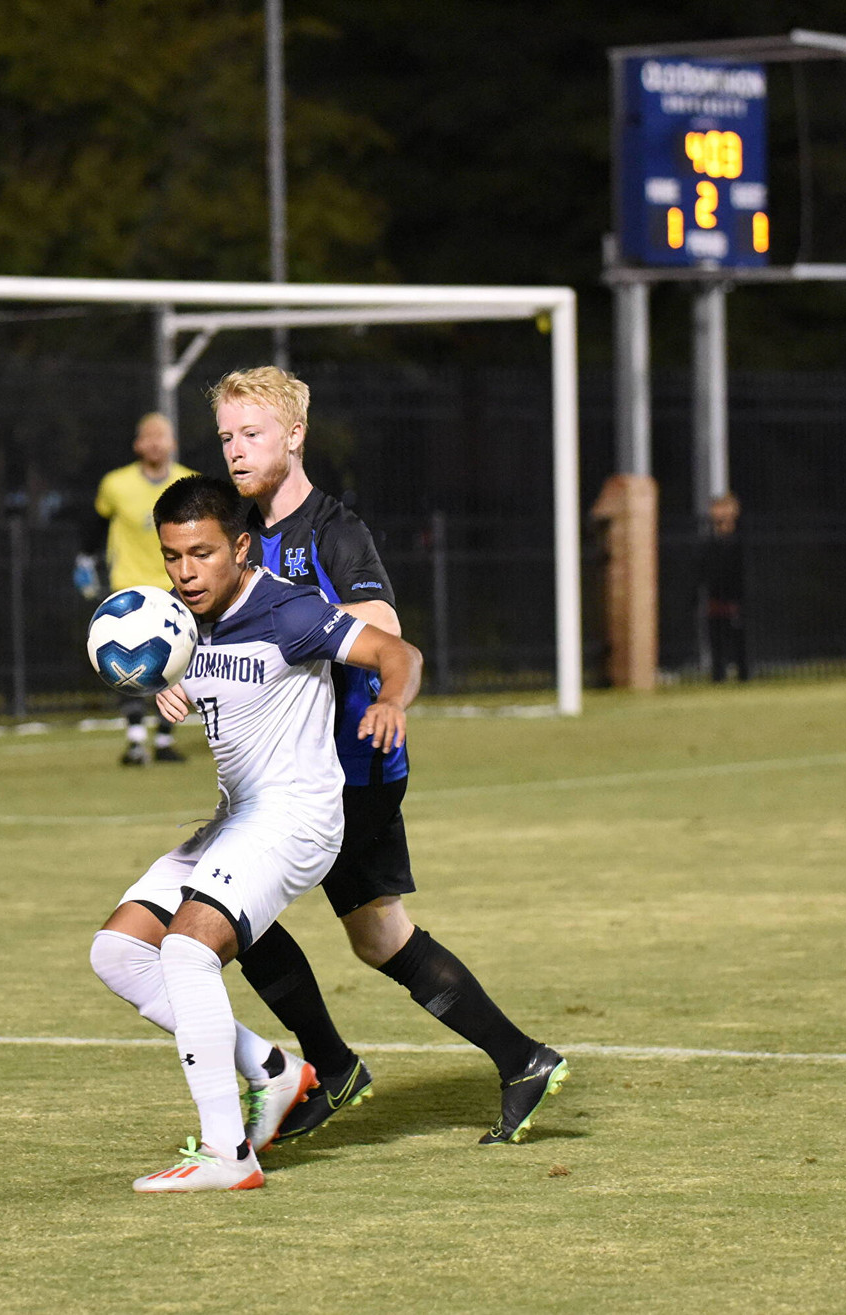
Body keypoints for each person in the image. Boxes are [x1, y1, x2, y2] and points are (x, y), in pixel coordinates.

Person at [159, 366, 566, 1147]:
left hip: (349, 768)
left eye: (253, 434)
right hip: (293, 774)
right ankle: (518, 1059)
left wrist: (368, 684)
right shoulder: (238, 528)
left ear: (295, 435)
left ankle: (338, 1068)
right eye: (226, 437)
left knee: (224, 911)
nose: (237, 452)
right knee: (377, 934)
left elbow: (380, 627)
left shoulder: (332, 531)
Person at [90, 475, 424, 1192]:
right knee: (117, 951)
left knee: (186, 949)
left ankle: (226, 1155)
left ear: (240, 546)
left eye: (202, 554)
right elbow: (195, 672)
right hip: (237, 817)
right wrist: (164, 683)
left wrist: (392, 699)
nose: (185, 572)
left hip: (298, 816)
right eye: (173, 556)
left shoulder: (291, 609)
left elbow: (400, 653)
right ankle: (273, 1069)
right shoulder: (179, 619)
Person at [78, 412, 195, 764]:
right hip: (128, 588)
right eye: (149, 436)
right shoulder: (115, 484)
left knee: (177, 664)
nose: (156, 443)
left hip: (175, 587)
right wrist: (84, 562)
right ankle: (134, 738)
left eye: (163, 436)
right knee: (122, 659)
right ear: (138, 444)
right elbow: (97, 527)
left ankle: (163, 739)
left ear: (173, 443)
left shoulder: (188, 482)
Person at [703, 492, 749, 682]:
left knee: (740, 639)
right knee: (716, 638)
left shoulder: (740, 542)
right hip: (715, 597)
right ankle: (718, 675)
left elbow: (744, 572)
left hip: (737, 597)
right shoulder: (708, 544)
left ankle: (744, 674)